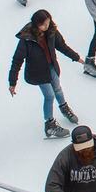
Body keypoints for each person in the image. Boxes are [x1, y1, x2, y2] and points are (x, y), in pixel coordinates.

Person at [9, 9, 82, 139]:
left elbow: (62, 46)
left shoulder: (51, 31)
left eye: (48, 22)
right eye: (43, 24)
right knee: (49, 96)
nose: (46, 26)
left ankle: (64, 108)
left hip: (51, 67)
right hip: (38, 73)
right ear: (37, 24)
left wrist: (76, 58)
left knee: (58, 89)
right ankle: (49, 124)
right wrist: (12, 82)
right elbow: (17, 60)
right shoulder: (27, 39)